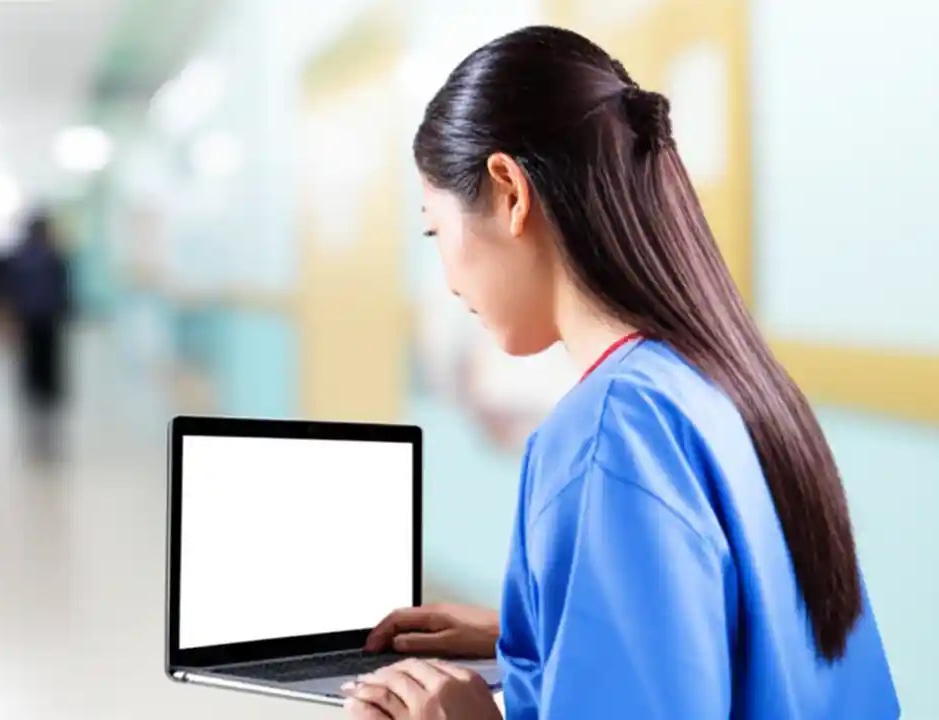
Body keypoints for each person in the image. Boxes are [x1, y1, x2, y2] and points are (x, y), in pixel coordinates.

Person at [343, 26, 898, 720]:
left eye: (435, 232)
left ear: (509, 190)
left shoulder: (610, 431)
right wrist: (549, 633)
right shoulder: (729, 388)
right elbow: (741, 643)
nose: (448, 279)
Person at [6, 211, 73, 461]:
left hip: (28, 323)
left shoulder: (20, 257)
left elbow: (12, 291)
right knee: (50, 371)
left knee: (32, 370)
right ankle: (48, 418)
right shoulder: (54, 255)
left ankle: (36, 418)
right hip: (50, 322)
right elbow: (65, 290)